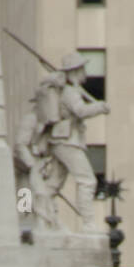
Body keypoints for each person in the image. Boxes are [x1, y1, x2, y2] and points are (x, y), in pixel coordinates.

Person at [42, 52, 109, 233]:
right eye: (82, 69)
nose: (85, 73)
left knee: (53, 183)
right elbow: (80, 111)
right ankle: (88, 225)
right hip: (67, 142)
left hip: (62, 141)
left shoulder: (71, 91)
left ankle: (43, 219)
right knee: (87, 181)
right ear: (75, 71)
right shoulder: (71, 92)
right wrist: (99, 107)